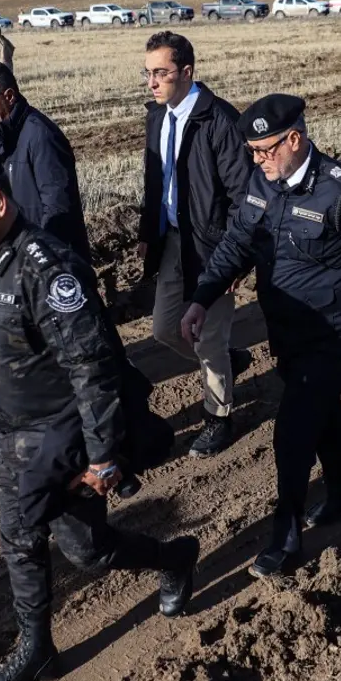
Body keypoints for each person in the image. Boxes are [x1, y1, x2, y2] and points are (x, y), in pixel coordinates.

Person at [0, 143, 199, 681]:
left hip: (57, 434)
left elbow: (92, 368)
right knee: (87, 550)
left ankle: (36, 646)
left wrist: (104, 456)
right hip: (10, 430)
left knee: (19, 537)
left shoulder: (48, 268)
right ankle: (174, 558)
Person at [179, 95, 341, 578]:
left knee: (292, 435)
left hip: (333, 333)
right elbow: (238, 241)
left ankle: (284, 542)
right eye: (254, 152)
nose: (257, 161)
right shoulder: (265, 181)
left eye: (264, 150)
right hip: (284, 329)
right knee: (321, 417)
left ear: (295, 139)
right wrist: (202, 296)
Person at [136, 31, 253, 458]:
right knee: (165, 329)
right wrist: (149, 233)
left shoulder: (219, 121)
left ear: (187, 72)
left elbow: (244, 198)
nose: (152, 82)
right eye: (147, 73)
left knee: (207, 336)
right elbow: (155, 182)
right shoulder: (157, 116)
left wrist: (236, 261)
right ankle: (227, 358)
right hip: (171, 241)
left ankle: (219, 418)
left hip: (214, 248)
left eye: (161, 73)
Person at [0, 60, 90, 262]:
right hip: (18, 253)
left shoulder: (41, 136)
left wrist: (39, 257)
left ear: (8, 96)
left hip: (51, 259)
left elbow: (58, 209)